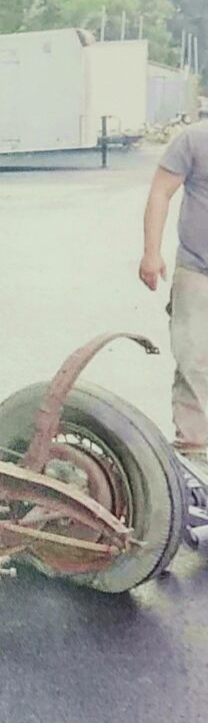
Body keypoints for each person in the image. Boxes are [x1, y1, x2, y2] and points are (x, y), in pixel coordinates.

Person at [140, 121, 208, 466]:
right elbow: (160, 193)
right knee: (193, 360)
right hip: (198, 271)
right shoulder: (194, 139)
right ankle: (195, 453)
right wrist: (151, 253)